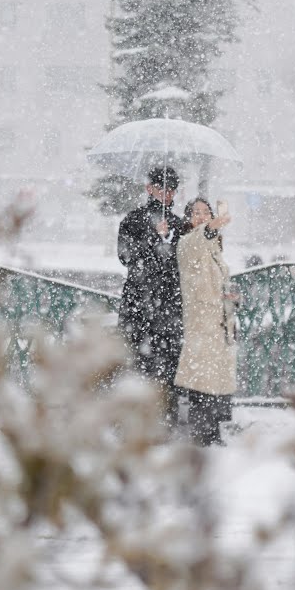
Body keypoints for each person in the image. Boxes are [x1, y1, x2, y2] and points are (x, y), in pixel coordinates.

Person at [117, 165, 186, 431]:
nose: (167, 194)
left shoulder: (179, 224)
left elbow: (183, 263)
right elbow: (125, 256)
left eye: (172, 190)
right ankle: (133, 420)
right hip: (137, 303)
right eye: (162, 189)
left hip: (168, 304)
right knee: (135, 360)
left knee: (168, 362)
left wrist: (170, 240)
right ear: (149, 189)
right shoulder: (132, 220)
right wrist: (151, 238)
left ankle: (165, 419)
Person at [172, 197, 238, 447]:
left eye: (206, 213)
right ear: (188, 218)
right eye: (196, 213)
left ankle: (212, 433)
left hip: (218, 323)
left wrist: (230, 297)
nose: (201, 217)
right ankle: (203, 436)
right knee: (202, 381)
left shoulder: (215, 248)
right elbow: (199, 239)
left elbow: (217, 281)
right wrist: (212, 225)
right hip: (200, 323)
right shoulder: (188, 243)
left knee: (214, 380)